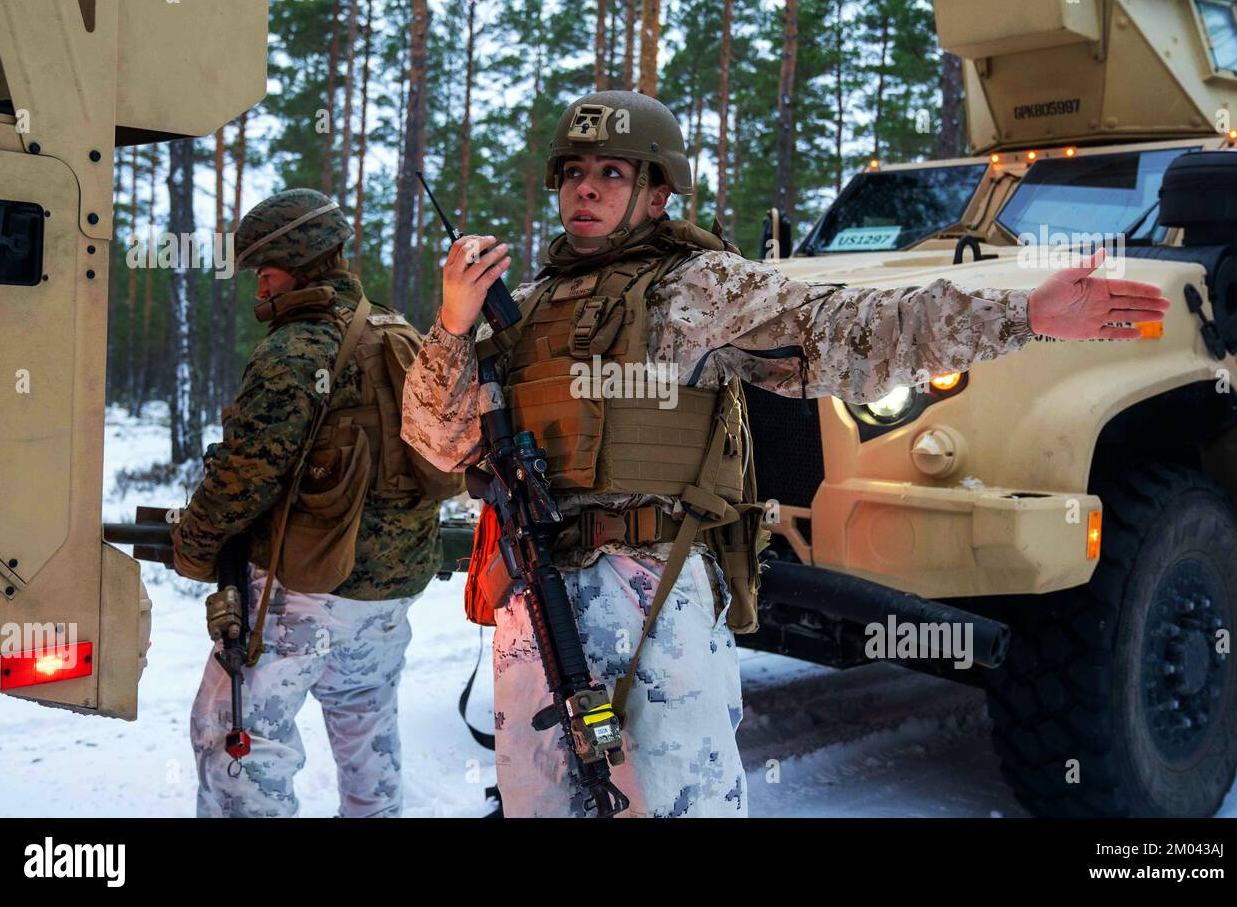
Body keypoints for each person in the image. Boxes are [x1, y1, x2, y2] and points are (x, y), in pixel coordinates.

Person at [400, 90, 1169, 817]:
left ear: (660, 193)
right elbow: (439, 442)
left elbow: (854, 329)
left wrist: (1026, 312)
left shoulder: (696, 288)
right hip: (535, 599)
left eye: (612, 173)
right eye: (574, 173)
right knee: (545, 802)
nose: (586, 189)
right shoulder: (520, 309)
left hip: (652, 595)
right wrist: (450, 324)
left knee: (673, 801)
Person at [172, 189, 454, 818]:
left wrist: (193, 546)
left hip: (307, 591)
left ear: (293, 265)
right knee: (366, 732)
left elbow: (245, 475)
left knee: (238, 744)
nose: (259, 291)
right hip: (390, 591)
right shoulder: (397, 330)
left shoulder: (297, 347)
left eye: (264, 274)